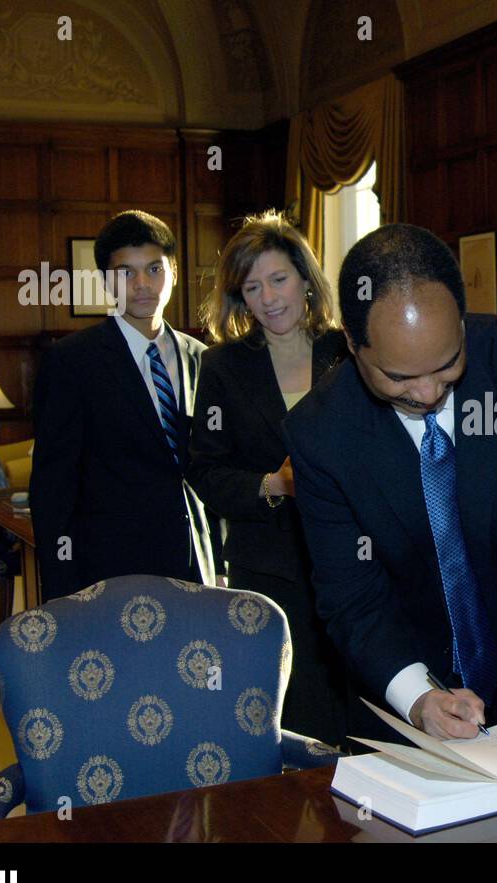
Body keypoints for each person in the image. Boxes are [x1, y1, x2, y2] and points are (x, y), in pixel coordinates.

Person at [282, 223, 497, 750]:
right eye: (399, 378)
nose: (427, 393)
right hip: (418, 687)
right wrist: (419, 696)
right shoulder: (321, 433)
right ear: (353, 345)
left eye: (447, 366)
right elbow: (352, 595)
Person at [188, 210, 349, 747]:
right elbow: (206, 472)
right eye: (252, 287)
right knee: (292, 713)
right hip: (270, 568)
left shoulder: (348, 353)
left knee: (359, 701)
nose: (269, 298)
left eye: (278, 279)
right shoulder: (223, 366)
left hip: (357, 558)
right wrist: (272, 486)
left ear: (305, 278)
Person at [31, 210, 216, 601]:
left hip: (196, 561)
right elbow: (53, 485)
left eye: (153, 269)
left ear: (175, 272)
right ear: (104, 280)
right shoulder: (72, 361)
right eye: (126, 273)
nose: (143, 285)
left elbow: (211, 466)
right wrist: (61, 587)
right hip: (109, 567)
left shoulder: (203, 358)